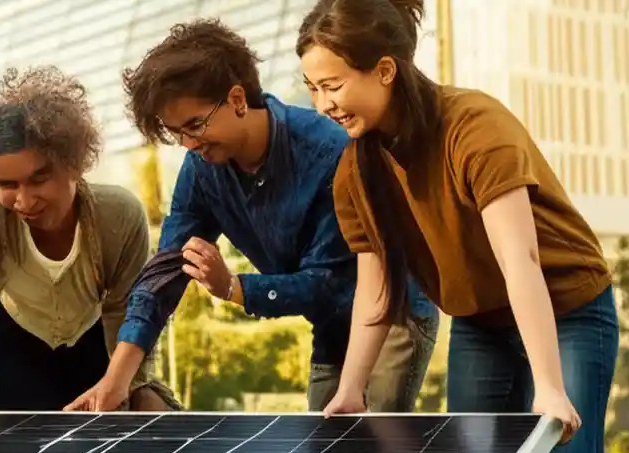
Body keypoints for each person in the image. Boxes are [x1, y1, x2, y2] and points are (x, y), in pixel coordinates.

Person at [297, 0, 629, 453]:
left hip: (568, 305)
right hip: (482, 324)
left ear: (385, 70)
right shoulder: (357, 170)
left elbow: (520, 261)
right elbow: (376, 294)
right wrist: (351, 390)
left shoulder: (473, 125)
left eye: (332, 84)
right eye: (311, 87)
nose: (322, 102)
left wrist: (548, 387)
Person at [66, 19, 438, 413]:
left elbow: (326, 282)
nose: (189, 145)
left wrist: (234, 287)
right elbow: (165, 272)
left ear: (238, 99)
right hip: (331, 328)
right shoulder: (202, 169)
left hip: (392, 314)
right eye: (178, 133)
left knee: (376, 451)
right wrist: (116, 380)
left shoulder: (330, 152)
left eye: (196, 125)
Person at [0, 66, 177, 411]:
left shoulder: (119, 215)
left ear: (74, 162)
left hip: (102, 344)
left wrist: (124, 385)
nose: (25, 201)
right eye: (6, 185)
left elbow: (130, 311)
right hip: (17, 349)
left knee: (132, 434)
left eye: (39, 179)